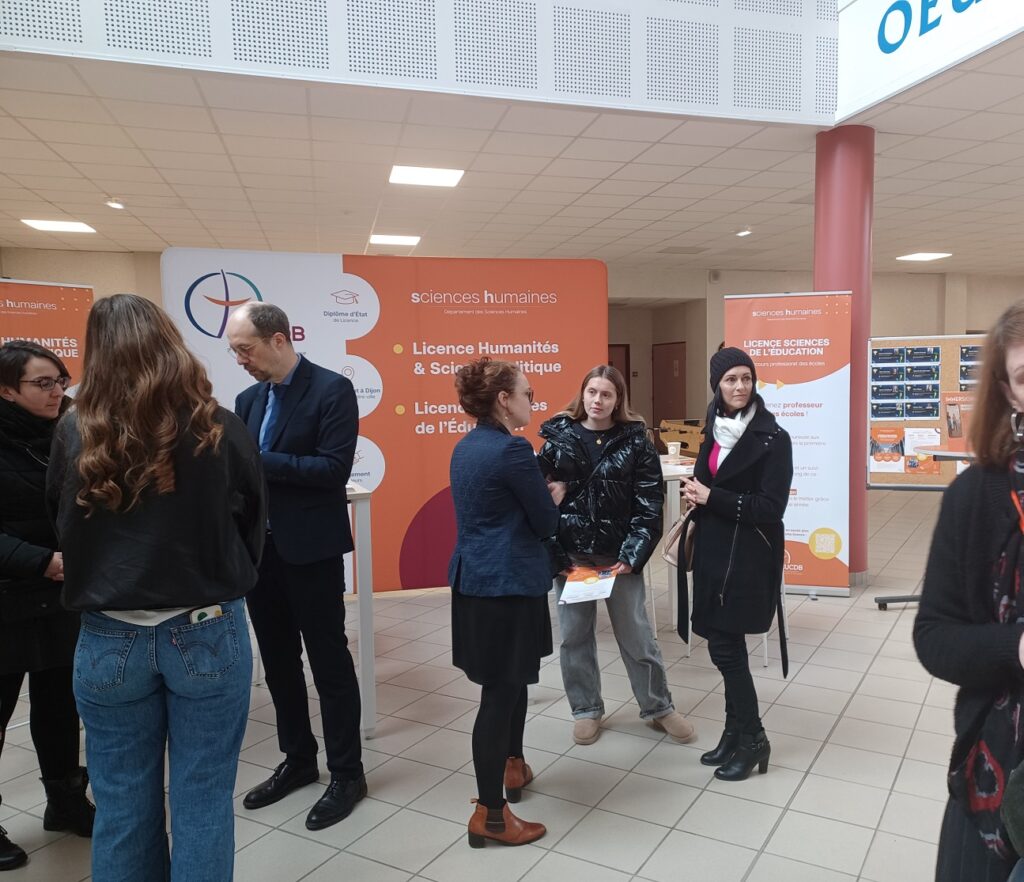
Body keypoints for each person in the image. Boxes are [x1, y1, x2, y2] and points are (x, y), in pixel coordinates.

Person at [45, 294, 265, 882]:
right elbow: (252, 523)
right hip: (207, 627)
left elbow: (58, 519)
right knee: (202, 798)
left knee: (122, 805)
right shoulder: (218, 426)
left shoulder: (74, 431)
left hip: (108, 636)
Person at [226, 301, 366, 830]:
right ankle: (299, 760)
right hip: (260, 556)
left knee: (329, 663)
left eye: (246, 348)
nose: (240, 359)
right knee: (279, 663)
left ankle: (347, 773)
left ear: (279, 340)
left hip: (312, 551)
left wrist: (253, 460)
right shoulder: (248, 399)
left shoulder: (332, 389)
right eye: (235, 350)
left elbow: (332, 470)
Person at [914, 301, 1024, 881]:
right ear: (1008, 391)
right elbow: (934, 637)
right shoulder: (976, 497)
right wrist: (1016, 649)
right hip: (999, 767)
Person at [538, 365, 695, 746]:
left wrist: (631, 556)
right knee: (575, 638)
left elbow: (648, 506)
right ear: (582, 394)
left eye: (606, 394)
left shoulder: (636, 441)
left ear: (618, 400)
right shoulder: (557, 439)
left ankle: (658, 707)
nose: (597, 400)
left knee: (638, 637)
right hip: (573, 557)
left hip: (618, 560)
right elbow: (539, 503)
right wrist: (557, 556)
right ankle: (586, 709)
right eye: (592, 392)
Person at [449, 358, 559, 848]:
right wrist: (551, 495)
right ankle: (492, 815)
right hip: (508, 585)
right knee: (500, 695)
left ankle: (513, 766)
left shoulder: (466, 446)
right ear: (503, 400)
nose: (531, 402)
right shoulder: (514, 451)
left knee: (510, 684)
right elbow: (545, 523)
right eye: (527, 394)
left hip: (477, 582)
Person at [0, 342, 93, 872]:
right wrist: (41, 561)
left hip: (61, 598)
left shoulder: (72, 429)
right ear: (7, 388)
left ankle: (66, 801)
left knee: (60, 708)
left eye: (60, 379)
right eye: (42, 383)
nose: (58, 390)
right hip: (10, 598)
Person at [679, 347, 792, 781]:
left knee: (727, 649)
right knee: (720, 645)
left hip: (747, 556)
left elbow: (771, 507)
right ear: (718, 385)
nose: (740, 386)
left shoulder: (773, 438)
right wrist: (696, 491)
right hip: (712, 549)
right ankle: (733, 732)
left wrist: (713, 498)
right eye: (731, 380)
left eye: (746, 378)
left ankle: (755, 739)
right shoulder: (715, 427)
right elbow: (704, 477)